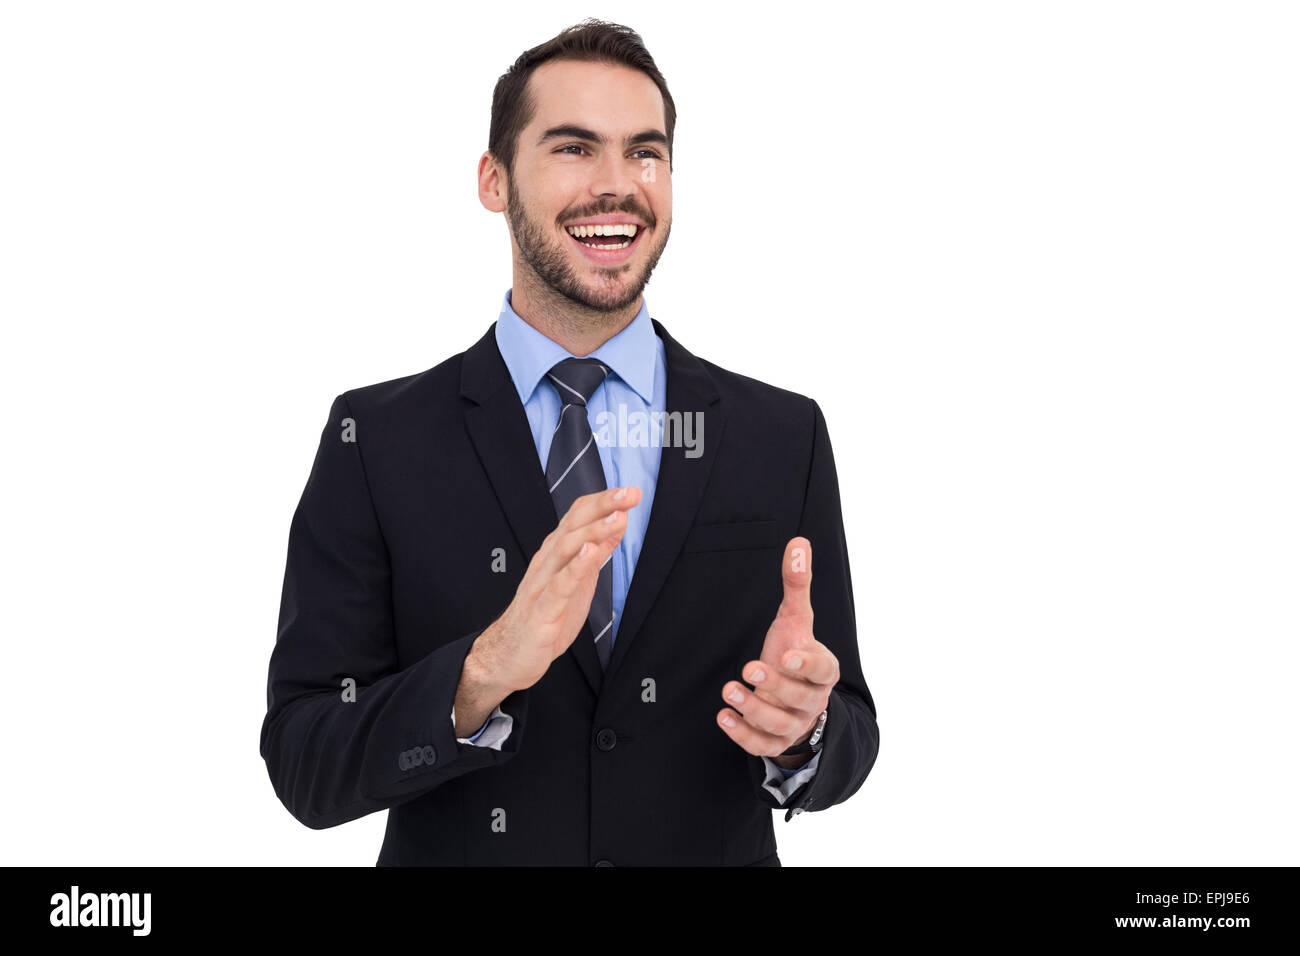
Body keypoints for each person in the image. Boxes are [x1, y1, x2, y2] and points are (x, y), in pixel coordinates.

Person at [260, 18, 880, 866]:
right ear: (493, 179)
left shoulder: (782, 434)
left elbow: (851, 732)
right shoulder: (377, 439)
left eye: (645, 153)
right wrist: (480, 674)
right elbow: (305, 757)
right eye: (574, 149)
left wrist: (803, 734)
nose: (617, 186)